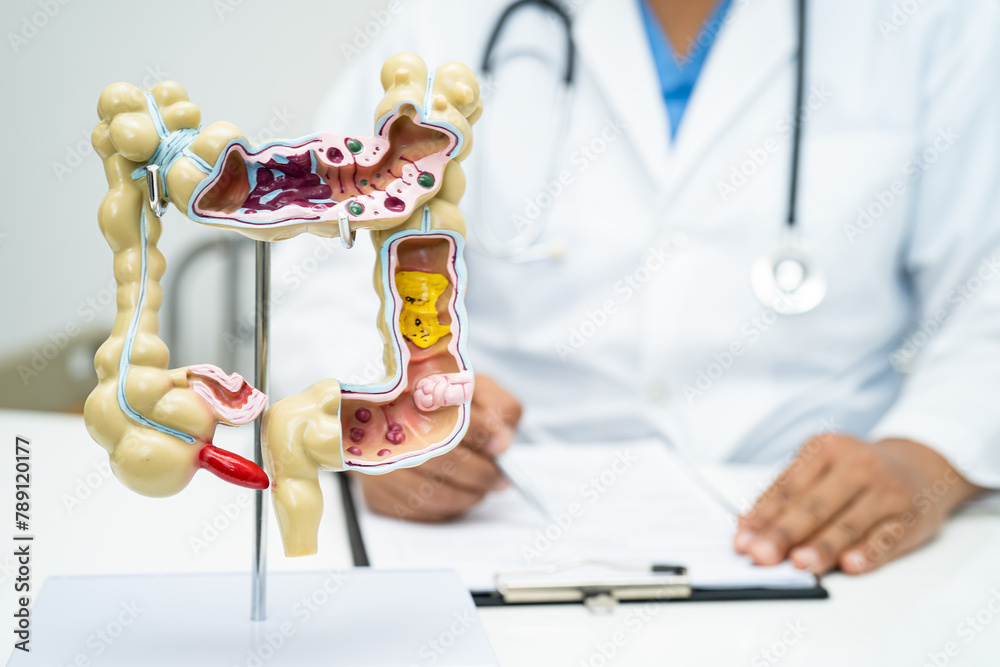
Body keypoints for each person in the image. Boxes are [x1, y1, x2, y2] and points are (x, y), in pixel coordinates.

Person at [271, 0, 1000, 576]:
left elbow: (989, 290)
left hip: (809, 518)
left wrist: (928, 453)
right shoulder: (449, 15)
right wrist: (379, 413)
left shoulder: (934, 18)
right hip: (494, 507)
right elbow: (325, 250)